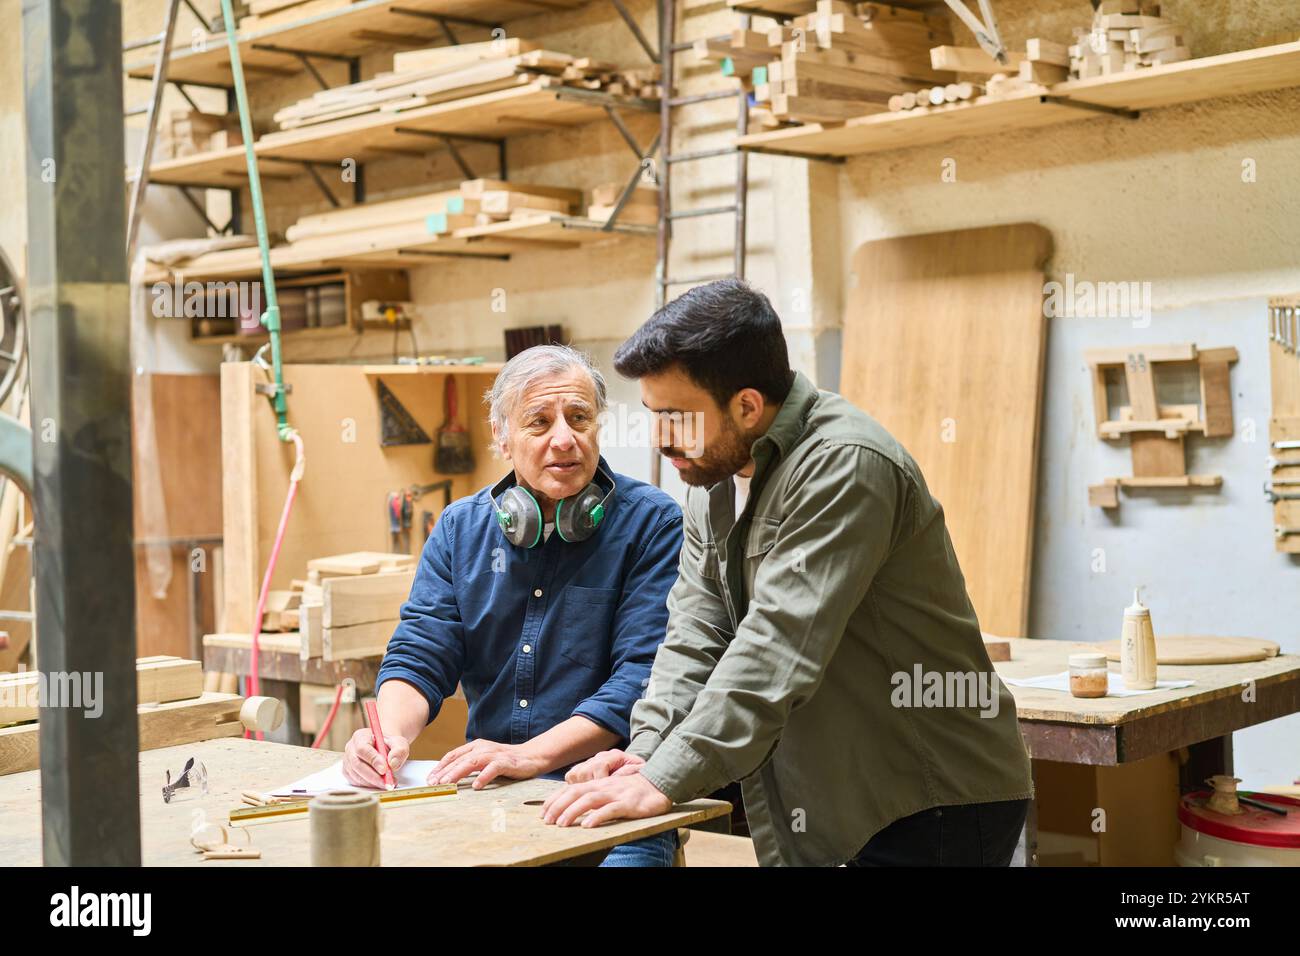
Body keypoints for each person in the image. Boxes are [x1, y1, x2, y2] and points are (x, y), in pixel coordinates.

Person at [541, 279, 1034, 866]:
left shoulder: (846, 466)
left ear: (747, 406)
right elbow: (697, 633)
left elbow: (776, 645)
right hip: (839, 795)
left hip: (930, 798)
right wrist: (648, 750)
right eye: (652, 415)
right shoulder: (713, 474)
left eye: (676, 417)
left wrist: (665, 780)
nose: (660, 440)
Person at [345, 344, 683, 866]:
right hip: (490, 789)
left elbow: (643, 677)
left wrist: (528, 756)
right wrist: (387, 738)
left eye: (579, 418)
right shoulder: (459, 530)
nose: (564, 439)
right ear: (502, 437)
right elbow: (420, 653)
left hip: (610, 792)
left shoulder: (652, 524)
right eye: (539, 422)